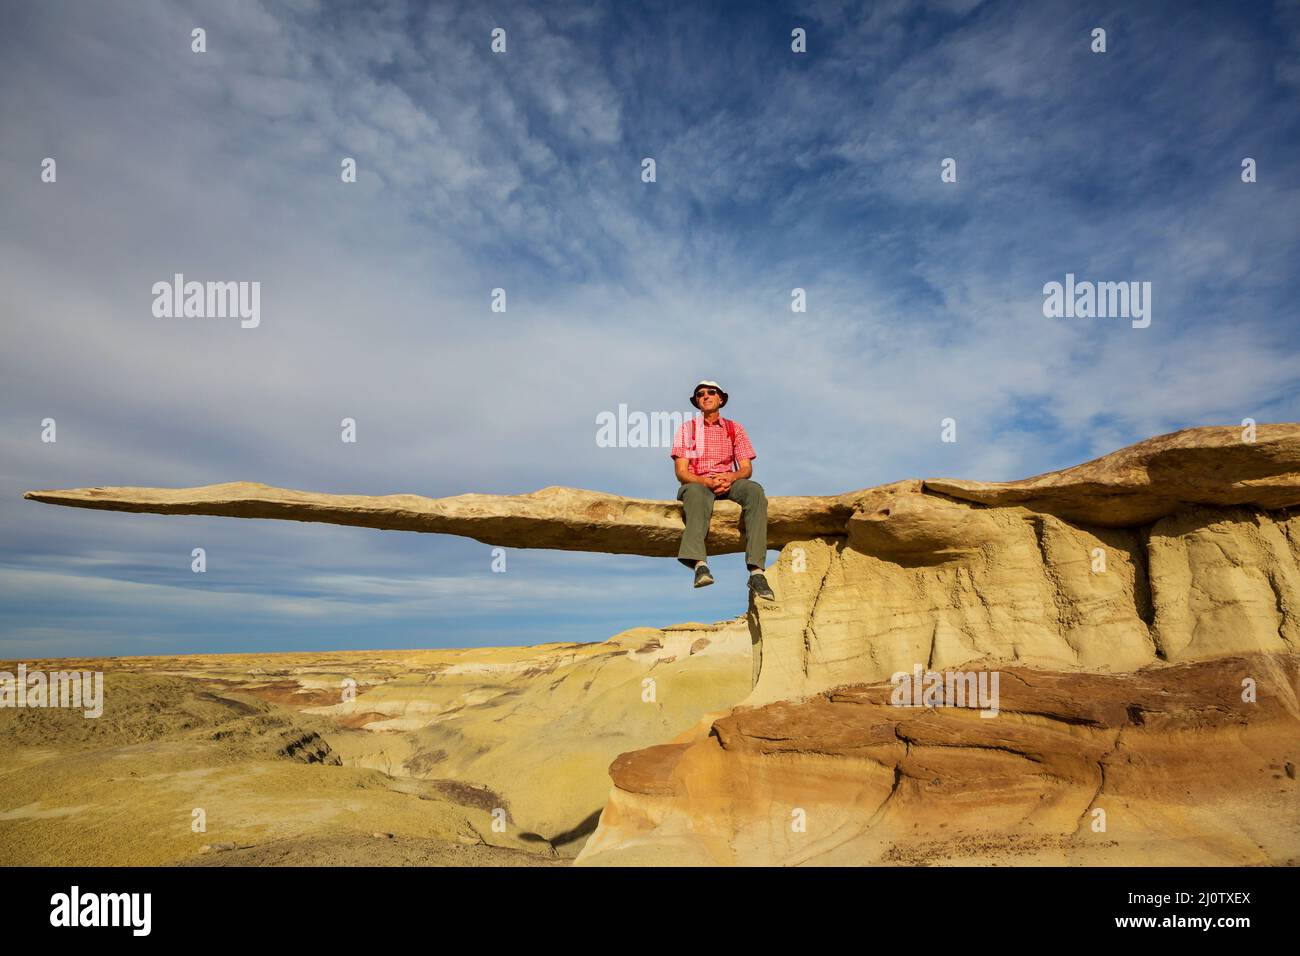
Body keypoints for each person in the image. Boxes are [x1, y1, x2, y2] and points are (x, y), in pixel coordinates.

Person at [670, 379, 775, 600]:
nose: (705, 396)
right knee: (696, 495)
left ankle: (756, 572)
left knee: (754, 491)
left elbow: (746, 468)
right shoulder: (687, 429)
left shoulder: (734, 428)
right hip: (699, 482)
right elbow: (681, 471)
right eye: (700, 394)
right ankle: (700, 565)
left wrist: (732, 476)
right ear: (697, 402)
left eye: (711, 392)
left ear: (721, 399)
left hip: (729, 481)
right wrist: (705, 482)